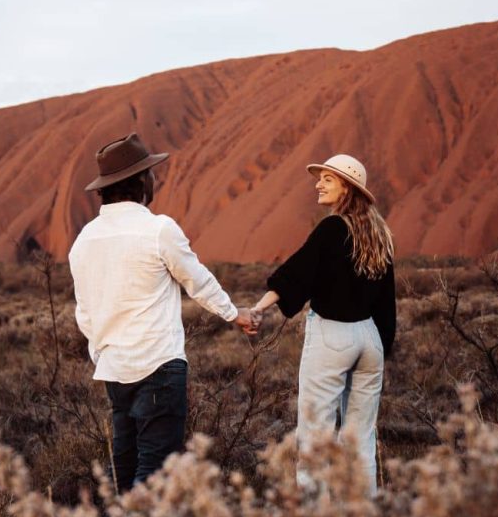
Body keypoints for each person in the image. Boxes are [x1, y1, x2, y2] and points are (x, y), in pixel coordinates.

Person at [69, 132, 257, 492]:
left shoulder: (84, 240)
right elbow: (197, 280)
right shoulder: (158, 229)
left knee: (126, 470)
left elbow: (85, 314)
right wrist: (235, 314)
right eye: (150, 172)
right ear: (140, 181)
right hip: (159, 366)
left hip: (114, 371)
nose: (154, 178)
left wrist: (104, 352)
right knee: (156, 471)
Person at [251, 154, 395, 495]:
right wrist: (383, 345)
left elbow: (298, 272)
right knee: (360, 439)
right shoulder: (380, 233)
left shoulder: (333, 227)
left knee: (315, 437)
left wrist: (258, 308)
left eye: (327, 179)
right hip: (370, 340)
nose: (318, 183)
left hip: (334, 335)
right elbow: (387, 297)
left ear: (346, 187)